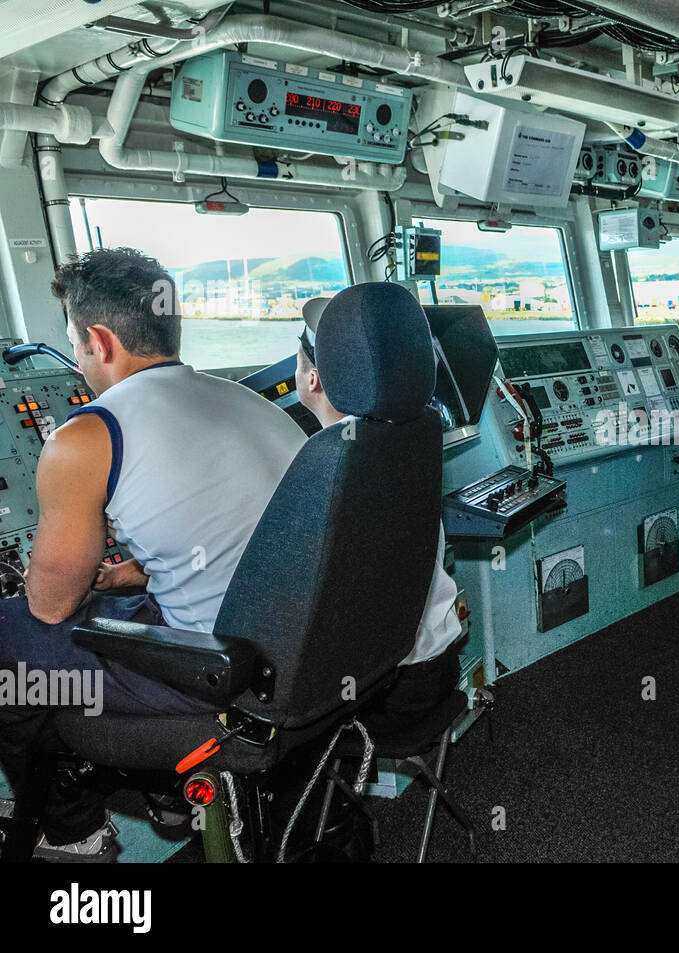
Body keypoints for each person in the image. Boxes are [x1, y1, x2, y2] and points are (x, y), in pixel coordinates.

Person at [0, 248, 305, 860]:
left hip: (219, 673)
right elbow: (234, 542)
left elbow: (52, 606)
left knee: (10, 633)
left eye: (76, 346)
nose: (80, 362)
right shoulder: (255, 405)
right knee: (120, 607)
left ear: (99, 341)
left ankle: (72, 829)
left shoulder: (87, 435)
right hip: (302, 649)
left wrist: (79, 580)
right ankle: (166, 789)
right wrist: (118, 575)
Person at [294, 297, 462, 740]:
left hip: (382, 694)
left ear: (312, 378)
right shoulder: (412, 435)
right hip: (439, 668)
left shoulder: (330, 463)